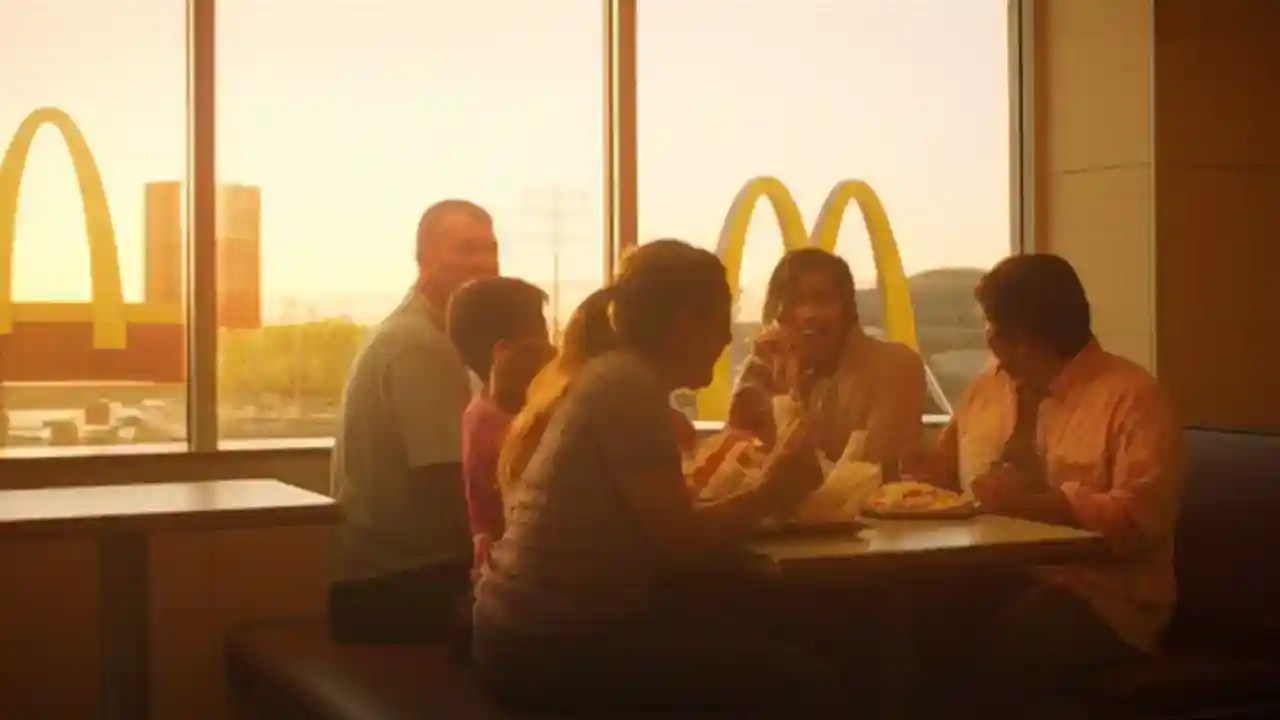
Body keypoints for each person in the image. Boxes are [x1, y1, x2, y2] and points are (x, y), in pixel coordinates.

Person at [473, 240, 843, 713]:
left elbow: (666, 527)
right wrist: (772, 490)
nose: (727, 339)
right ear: (687, 323)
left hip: (525, 631)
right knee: (805, 682)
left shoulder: (613, 377)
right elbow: (680, 541)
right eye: (721, 321)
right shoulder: (626, 386)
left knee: (746, 623)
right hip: (548, 649)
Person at [923, 253, 1182, 716]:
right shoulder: (989, 386)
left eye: (992, 327)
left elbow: (1142, 518)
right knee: (913, 616)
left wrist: (1035, 506)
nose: (987, 339)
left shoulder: (1133, 399)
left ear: (1025, 339)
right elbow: (938, 474)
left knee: (1005, 635)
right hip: (995, 573)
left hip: (1101, 598)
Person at [328, 199, 499, 644]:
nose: (483, 263)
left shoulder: (426, 334)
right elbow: (449, 480)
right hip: (399, 584)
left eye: (490, 249)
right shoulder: (418, 345)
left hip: (392, 576)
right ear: (424, 257)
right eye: (466, 249)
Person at [728, 248, 926, 467]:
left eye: (822, 299)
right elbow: (732, 462)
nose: (808, 314)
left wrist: (788, 402)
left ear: (846, 309)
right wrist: (757, 379)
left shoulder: (894, 366)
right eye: (794, 301)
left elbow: (869, 472)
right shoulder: (770, 368)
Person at [445, 276, 555, 573]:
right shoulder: (505, 425)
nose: (552, 350)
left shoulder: (479, 411)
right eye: (542, 336)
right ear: (504, 353)